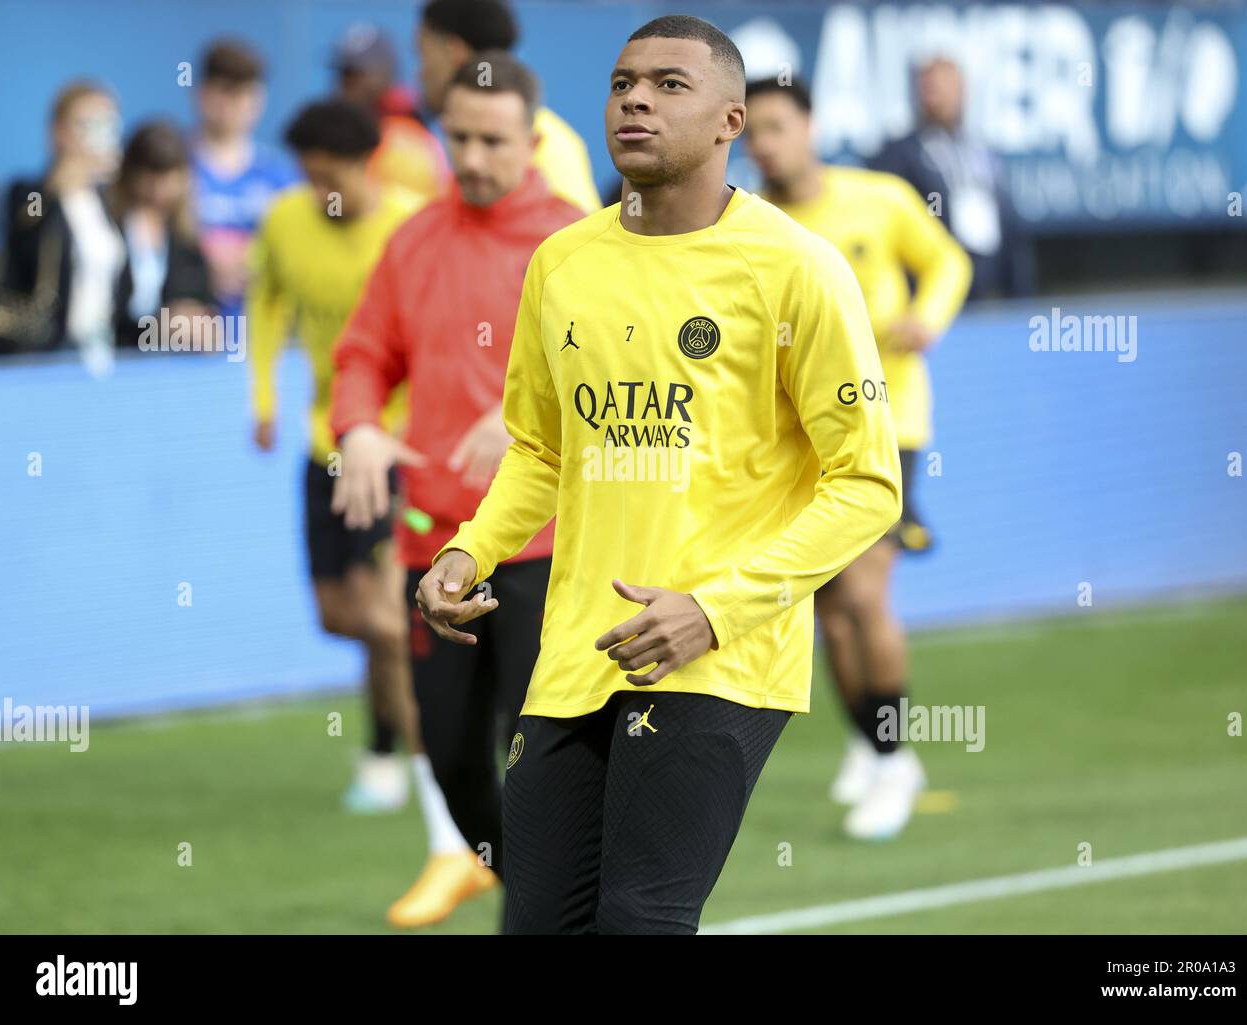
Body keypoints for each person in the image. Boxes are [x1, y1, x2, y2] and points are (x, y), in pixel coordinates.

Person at [401, 15, 902, 934]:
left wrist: (714, 609)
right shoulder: (563, 264)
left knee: (640, 918)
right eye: (624, 81)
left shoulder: (797, 269)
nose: (636, 97)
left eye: (671, 84)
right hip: (576, 658)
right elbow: (543, 450)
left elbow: (867, 483)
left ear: (730, 123)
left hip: (722, 659)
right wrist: (466, 554)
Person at [330, 51, 583, 929]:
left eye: (492, 139)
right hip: (433, 549)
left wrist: (528, 420)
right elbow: (363, 354)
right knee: (450, 759)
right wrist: (357, 424)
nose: (472, 157)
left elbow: (620, 375)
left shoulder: (577, 241)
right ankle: (542, 902)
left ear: (532, 138)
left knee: (542, 757)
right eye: (459, 138)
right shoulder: (414, 240)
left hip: (546, 547)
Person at [744, 76, 972, 840]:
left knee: (863, 599)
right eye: (755, 132)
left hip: (887, 423)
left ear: (809, 126)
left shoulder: (879, 197)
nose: (766, 143)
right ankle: (877, 748)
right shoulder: (751, 225)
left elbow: (947, 261)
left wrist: (927, 317)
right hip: (801, 436)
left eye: (778, 125)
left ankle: (893, 757)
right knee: (829, 615)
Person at [244, 99, 432, 821]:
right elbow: (266, 305)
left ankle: (414, 763)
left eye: (330, 175)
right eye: (307, 173)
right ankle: (413, 729)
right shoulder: (286, 220)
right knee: (339, 616)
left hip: (392, 443)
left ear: (364, 166)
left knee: (385, 618)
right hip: (323, 442)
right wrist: (261, 397)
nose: (318, 189)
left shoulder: (409, 226)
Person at [416, 0, 602, 214]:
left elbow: (579, 242)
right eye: (460, 138)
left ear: (454, 53)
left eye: (423, 55)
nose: (420, 73)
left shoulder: (551, 144)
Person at [872, 56, 1031, 300]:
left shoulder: (981, 151)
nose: (937, 97)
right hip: (930, 289)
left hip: (989, 282)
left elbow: (1008, 222)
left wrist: (1020, 291)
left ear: (963, 91)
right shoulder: (899, 153)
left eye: (947, 87)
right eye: (930, 89)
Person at [0, 81, 124, 363]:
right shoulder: (29, 193)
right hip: (47, 354)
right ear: (57, 131)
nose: (99, 136)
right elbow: (24, 225)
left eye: (108, 124)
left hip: (104, 354)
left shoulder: (110, 204)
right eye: (88, 124)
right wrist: (52, 191)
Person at [190, 39, 298, 321]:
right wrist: (201, 266)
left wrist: (256, 260)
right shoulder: (173, 167)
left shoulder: (281, 177)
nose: (231, 104)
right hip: (187, 344)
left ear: (258, 100)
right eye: (223, 91)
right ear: (201, 94)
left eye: (243, 93)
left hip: (261, 333)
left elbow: (300, 249)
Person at [110, 120, 214, 350]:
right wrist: (157, 327)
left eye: (167, 178)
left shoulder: (186, 240)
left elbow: (203, 306)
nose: (157, 191)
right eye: (149, 178)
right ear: (129, 174)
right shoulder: (105, 227)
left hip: (168, 370)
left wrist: (198, 322)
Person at [332, 22, 451, 204]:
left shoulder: (405, 136)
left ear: (386, 74)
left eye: (357, 74)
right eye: (344, 73)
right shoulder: (341, 127)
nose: (347, 83)